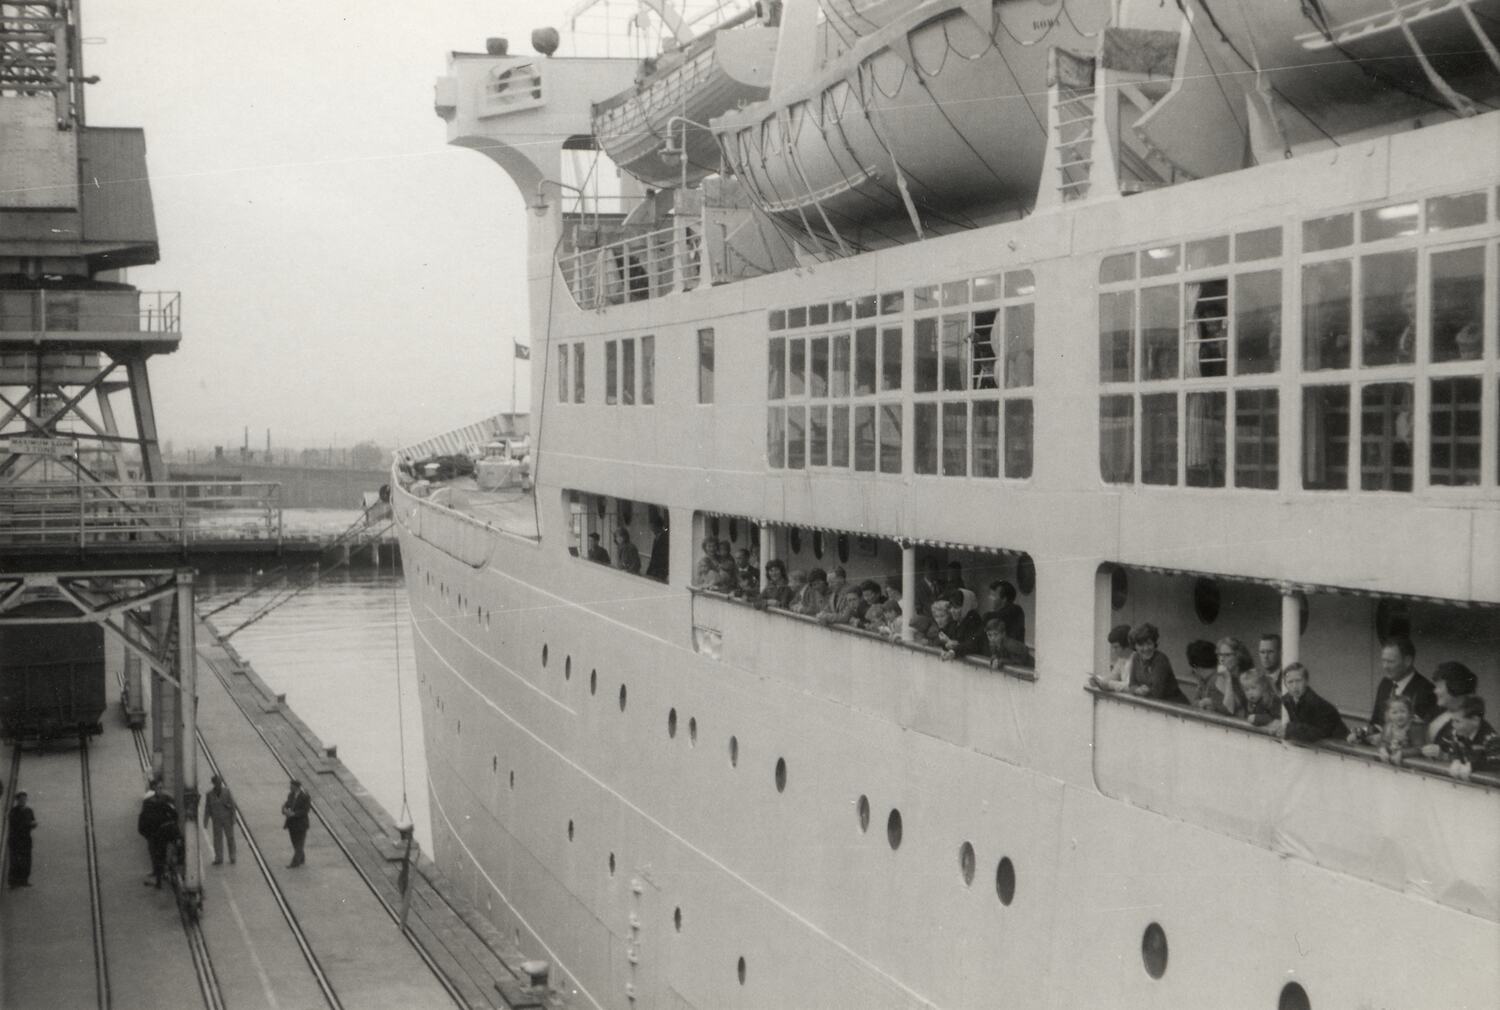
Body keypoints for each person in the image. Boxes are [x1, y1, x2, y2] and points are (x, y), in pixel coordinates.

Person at [1364, 636, 1437, 736]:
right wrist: (1362, 735)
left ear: (1408, 661)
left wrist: (1382, 739)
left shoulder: (1426, 691)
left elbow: (1422, 734)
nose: (1385, 666)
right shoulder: (1385, 683)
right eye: (1383, 660)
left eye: (1390, 662)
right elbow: (1375, 721)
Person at [1101, 623, 1186, 703]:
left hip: (1175, 705)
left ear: (1155, 644)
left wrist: (1140, 690)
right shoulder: (1136, 658)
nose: (1146, 648)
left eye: (1149, 644)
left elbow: (1157, 693)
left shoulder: (1160, 660)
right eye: (1141, 645)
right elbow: (1132, 685)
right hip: (1155, 706)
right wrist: (1137, 690)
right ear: (1135, 646)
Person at [1272, 663, 1348, 742]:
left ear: (1306, 681)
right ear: (1285, 684)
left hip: (1340, 745)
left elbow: (1319, 732)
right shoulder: (1287, 700)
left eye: (1298, 681)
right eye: (1290, 682)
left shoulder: (1315, 703)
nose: (1294, 686)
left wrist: (1290, 729)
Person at [1431, 696, 1498, 780]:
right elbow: (1454, 752)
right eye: (1452, 721)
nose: (1453, 725)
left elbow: (1496, 765)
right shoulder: (1457, 733)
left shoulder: (1491, 739)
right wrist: (1456, 760)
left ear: (1475, 720)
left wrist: (1473, 766)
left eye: (1457, 721)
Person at [1425, 661, 1478, 748]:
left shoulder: (1471, 721)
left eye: (1439, 687)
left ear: (1455, 687)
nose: (1435, 691)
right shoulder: (1435, 712)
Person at [137, 782, 178, 888]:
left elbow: (141, 826)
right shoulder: (162, 804)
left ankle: (158, 875)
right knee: (162, 855)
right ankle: (162, 872)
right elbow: (174, 814)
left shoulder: (147, 808)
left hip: (153, 836)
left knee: (156, 855)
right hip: (161, 835)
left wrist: (146, 835)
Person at [1193, 638, 1248, 717]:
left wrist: (1228, 679)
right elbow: (1195, 701)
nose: (1222, 659)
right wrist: (1202, 703)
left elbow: (1230, 710)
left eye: (1227, 655)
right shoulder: (1215, 679)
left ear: (1238, 656)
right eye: (1220, 655)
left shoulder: (1246, 678)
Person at [1362, 696, 1424, 765]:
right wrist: (1382, 749)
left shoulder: (1414, 727)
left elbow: (1419, 749)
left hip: (1410, 764)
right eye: (1394, 712)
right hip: (1390, 762)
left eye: (1403, 711)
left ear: (1409, 713)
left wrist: (1402, 753)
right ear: (1388, 714)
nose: (1399, 716)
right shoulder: (1388, 726)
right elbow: (1383, 742)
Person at [203, 774, 238, 866]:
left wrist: (234, 817)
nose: (219, 784)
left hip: (227, 819)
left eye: (219, 783)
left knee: (230, 838)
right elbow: (207, 808)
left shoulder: (227, 792)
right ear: (214, 784)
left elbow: (233, 806)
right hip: (216, 820)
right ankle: (219, 857)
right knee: (217, 839)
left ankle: (232, 856)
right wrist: (205, 821)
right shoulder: (209, 794)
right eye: (217, 783)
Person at [1089, 624, 1135, 692]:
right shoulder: (1122, 660)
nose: (1113, 651)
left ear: (1127, 646)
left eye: (1116, 647)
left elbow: (1130, 687)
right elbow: (1113, 676)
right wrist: (1098, 682)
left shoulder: (1138, 660)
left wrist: (1109, 684)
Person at [7, 791, 36, 888]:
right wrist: (28, 825)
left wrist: (33, 824)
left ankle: (24, 880)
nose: (23, 801)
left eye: (24, 799)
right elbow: (16, 825)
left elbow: (32, 821)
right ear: (17, 800)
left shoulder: (29, 811)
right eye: (21, 799)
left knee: (26, 860)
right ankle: (14, 881)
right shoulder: (13, 811)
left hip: (26, 839)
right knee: (15, 861)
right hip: (15, 840)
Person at [282, 778, 312, 869]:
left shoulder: (305, 797)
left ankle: (295, 862)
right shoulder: (291, 795)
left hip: (301, 824)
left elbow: (306, 810)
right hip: (291, 824)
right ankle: (301, 858)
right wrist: (284, 810)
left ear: (297, 787)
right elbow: (286, 804)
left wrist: (294, 814)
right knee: (295, 842)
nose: (290, 788)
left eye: (292, 786)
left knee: (299, 843)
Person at [984, 580, 1026, 645]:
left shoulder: (1015, 610)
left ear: (1004, 599)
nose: (989, 598)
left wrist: (987, 615)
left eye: (994, 595)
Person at [645, 513, 669, 581]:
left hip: (660, 572)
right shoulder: (656, 538)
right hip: (654, 571)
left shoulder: (665, 538)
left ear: (657, 526)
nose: (651, 529)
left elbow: (664, 558)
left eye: (652, 526)